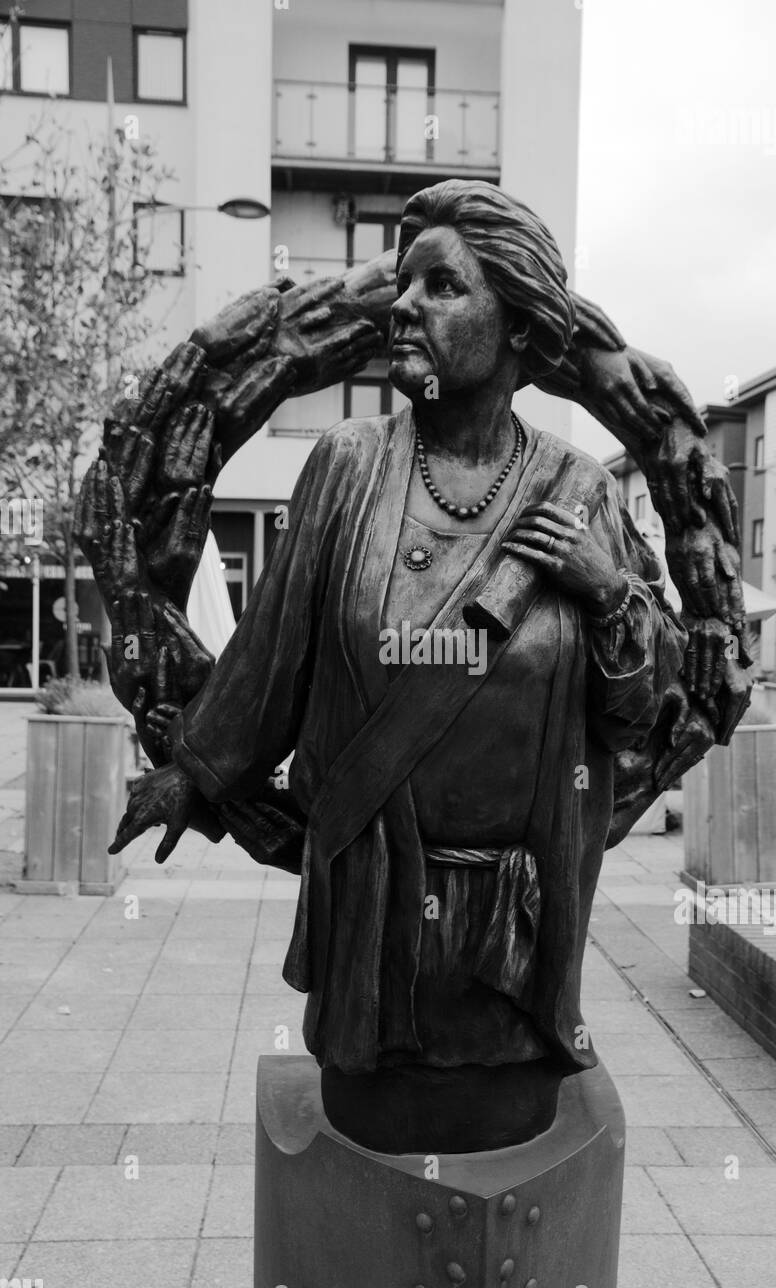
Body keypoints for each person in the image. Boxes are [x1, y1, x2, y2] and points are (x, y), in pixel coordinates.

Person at [109, 180, 688, 1152]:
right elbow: (270, 660)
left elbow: (643, 711)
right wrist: (192, 773)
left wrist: (607, 591)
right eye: (402, 283)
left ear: (515, 327)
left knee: (507, 1152)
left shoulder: (578, 489)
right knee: (367, 1144)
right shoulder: (346, 464)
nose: (403, 306)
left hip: (515, 933)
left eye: (441, 286)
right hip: (371, 913)